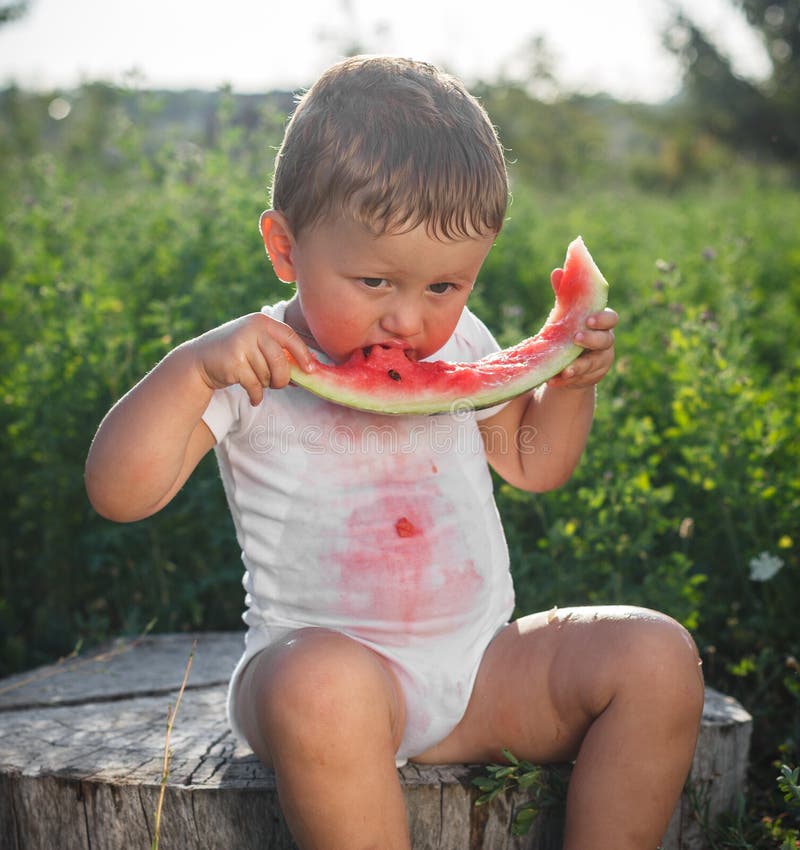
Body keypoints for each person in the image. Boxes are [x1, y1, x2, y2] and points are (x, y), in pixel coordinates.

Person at [85, 55, 704, 850]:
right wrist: (189, 369)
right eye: (375, 281)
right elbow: (118, 492)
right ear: (285, 249)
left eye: (444, 288)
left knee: (656, 654)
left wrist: (568, 380)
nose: (408, 321)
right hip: (323, 687)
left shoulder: (467, 347)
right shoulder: (252, 363)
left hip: (480, 674)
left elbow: (533, 462)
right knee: (321, 686)